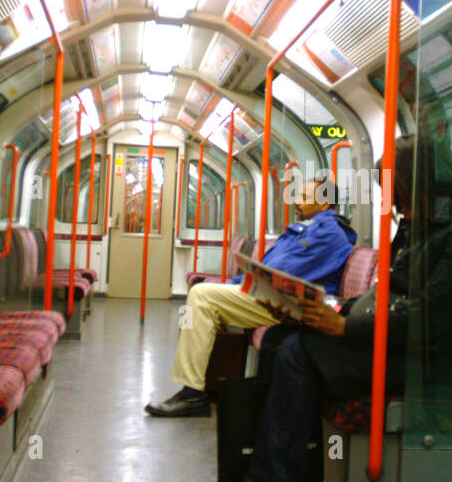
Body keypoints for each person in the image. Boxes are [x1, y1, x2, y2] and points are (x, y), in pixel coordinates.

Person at [207, 135, 452, 482]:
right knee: (279, 339)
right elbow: (388, 295)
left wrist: (344, 326)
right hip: (392, 342)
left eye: (398, 196)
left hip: (423, 361)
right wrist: (319, 312)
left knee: (298, 353)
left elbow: (427, 321)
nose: (395, 208)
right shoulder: (418, 226)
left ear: (418, 185)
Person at [145, 176, 357, 418]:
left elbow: (284, 271)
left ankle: (192, 394)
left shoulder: (328, 233)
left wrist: (247, 282)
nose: (297, 202)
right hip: (275, 293)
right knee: (200, 301)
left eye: (305, 198)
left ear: (325, 204)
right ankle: (198, 386)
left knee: (201, 296)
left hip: (295, 304)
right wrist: (237, 283)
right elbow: (273, 267)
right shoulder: (308, 229)